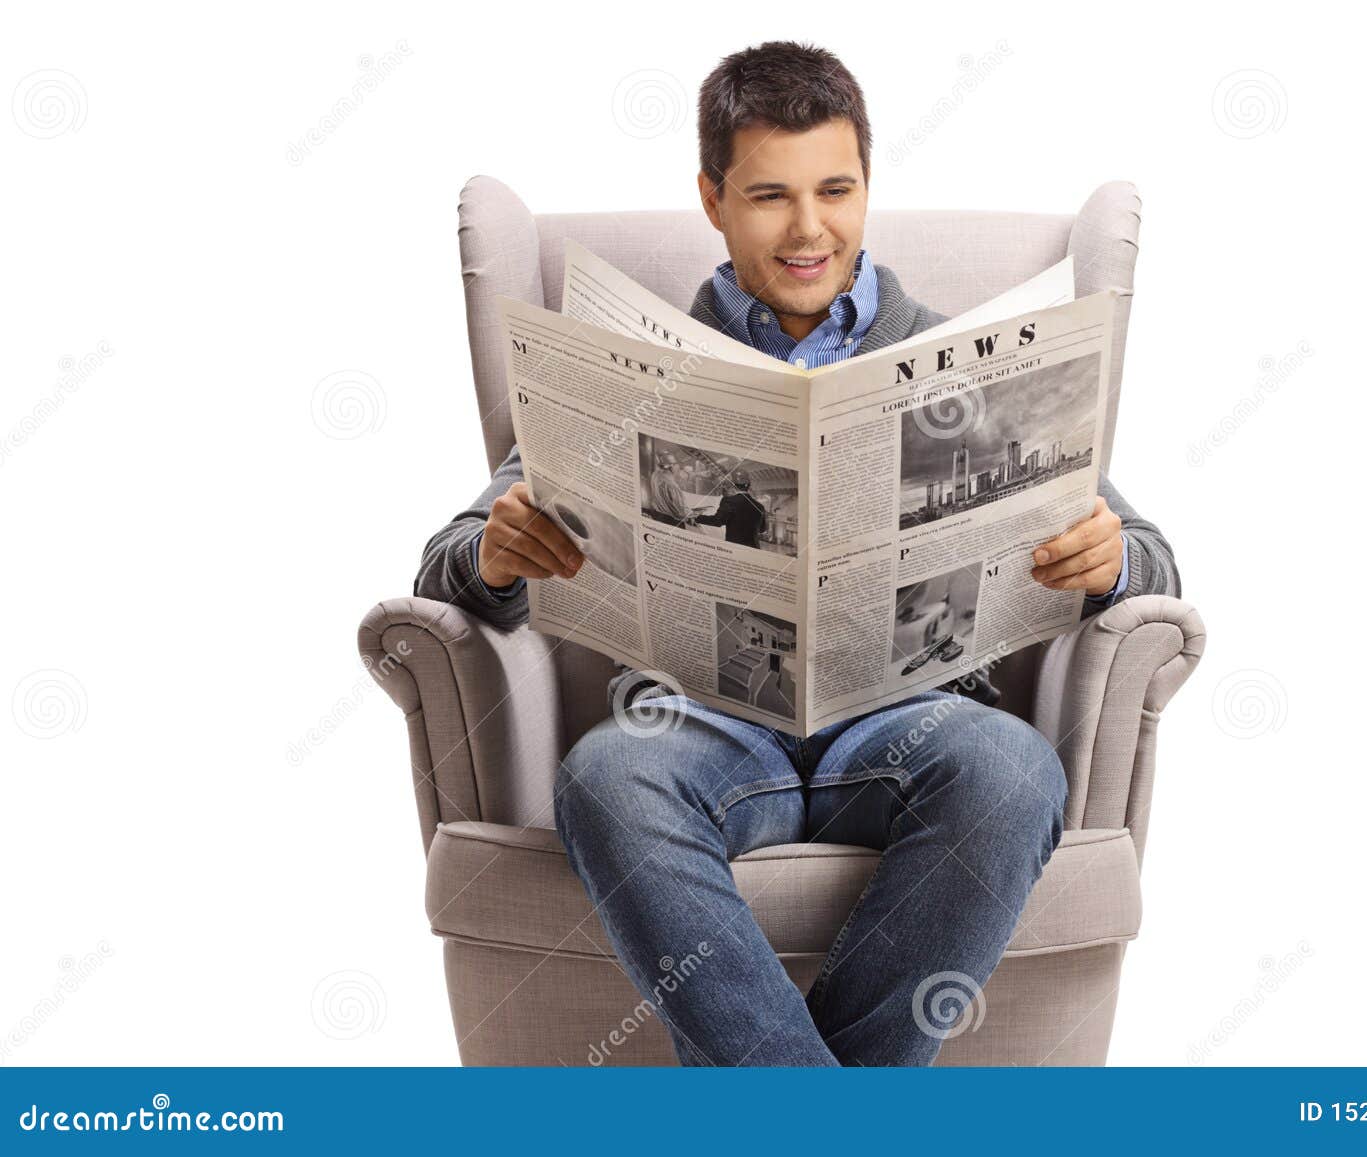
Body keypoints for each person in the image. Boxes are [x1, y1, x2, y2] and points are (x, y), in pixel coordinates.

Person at [414, 40, 1180, 1066]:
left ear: (868, 184)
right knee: (603, 775)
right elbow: (451, 557)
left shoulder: (958, 357)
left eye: (836, 188)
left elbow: (1153, 560)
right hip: (696, 728)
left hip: (911, 723)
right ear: (712, 199)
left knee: (1011, 770)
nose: (809, 227)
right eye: (770, 194)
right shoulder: (637, 361)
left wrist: (1111, 561)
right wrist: (495, 557)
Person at [695, 469, 769, 548]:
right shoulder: (760, 507)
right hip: (754, 548)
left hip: (734, 548)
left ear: (732, 485)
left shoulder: (728, 501)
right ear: (748, 485)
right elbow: (762, 529)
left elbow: (718, 521)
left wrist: (697, 517)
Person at [646, 449, 696, 527]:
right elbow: (681, 511)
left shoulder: (655, 475)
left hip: (658, 517)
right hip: (672, 522)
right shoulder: (671, 485)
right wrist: (691, 516)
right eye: (677, 465)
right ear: (671, 466)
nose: (678, 467)